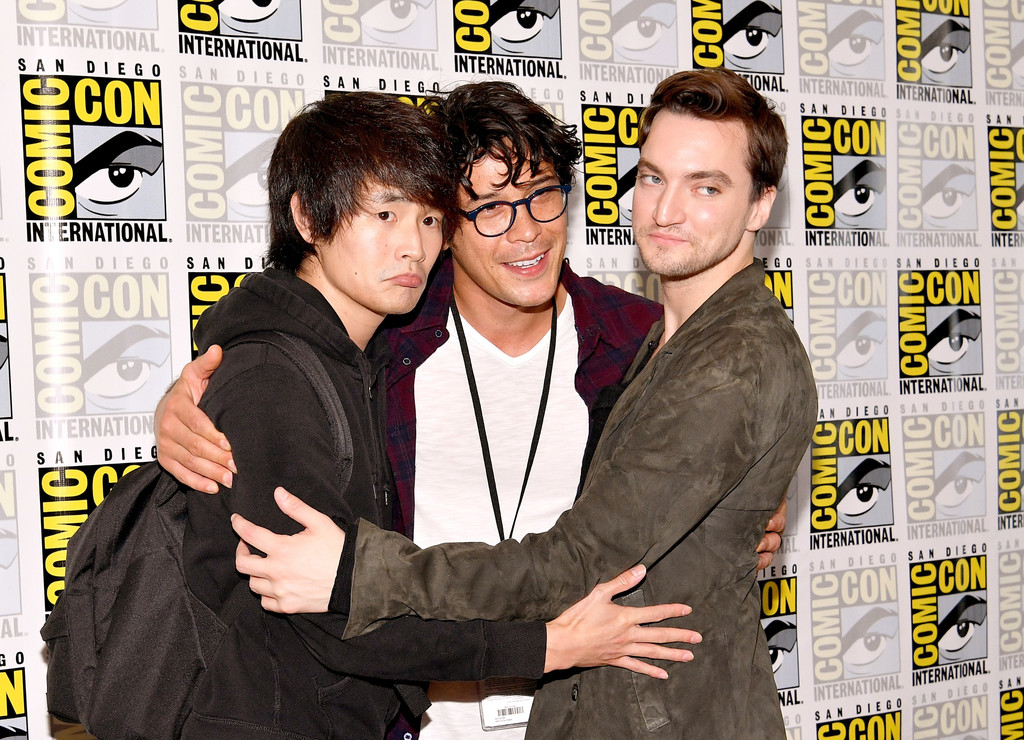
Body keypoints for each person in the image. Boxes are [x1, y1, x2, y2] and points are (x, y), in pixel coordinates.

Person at [157, 81, 788, 739]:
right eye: (488, 208)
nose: (527, 232)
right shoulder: (386, 341)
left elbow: (726, 449)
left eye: (543, 195)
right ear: (449, 226)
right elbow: (283, 335)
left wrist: (738, 516)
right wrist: (189, 395)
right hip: (422, 718)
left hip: (595, 710)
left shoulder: (636, 340)